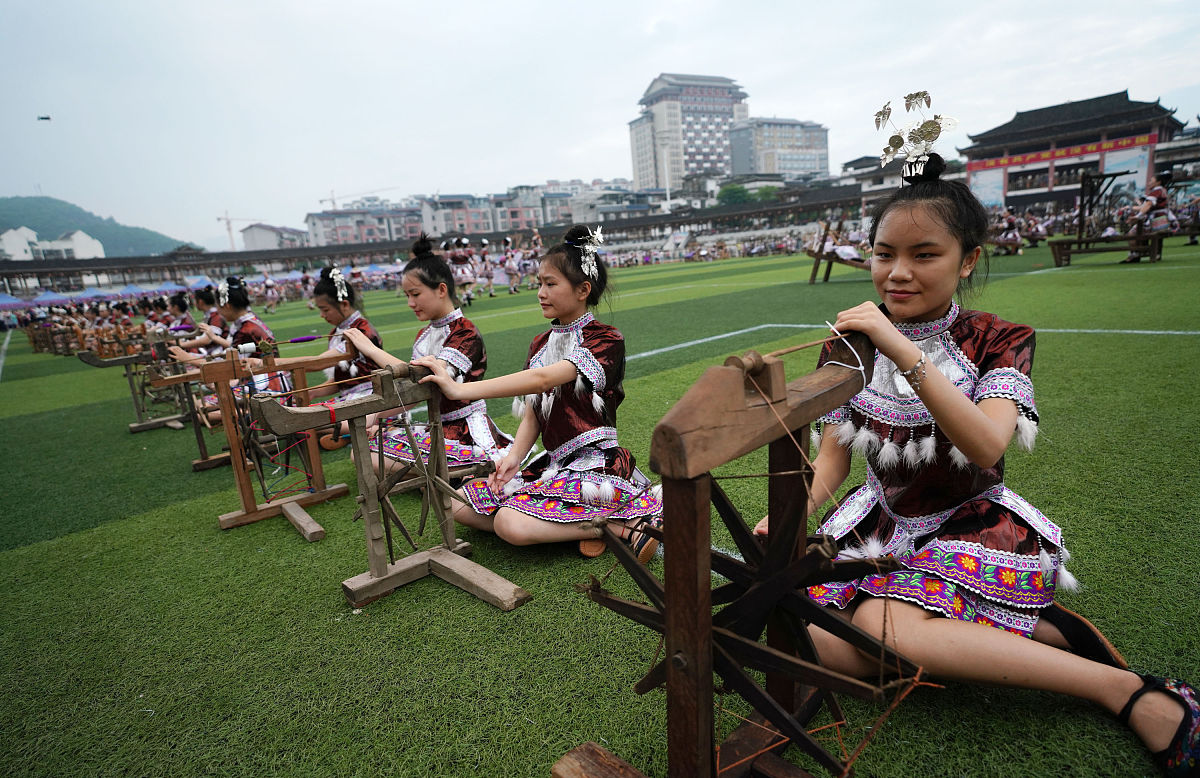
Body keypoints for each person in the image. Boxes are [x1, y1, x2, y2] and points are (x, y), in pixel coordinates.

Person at [751, 153, 1198, 776]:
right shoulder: (847, 342)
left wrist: (901, 349)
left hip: (967, 523)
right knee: (809, 638)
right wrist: (793, 515)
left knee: (880, 624)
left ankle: (1123, 692)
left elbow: (987, 445)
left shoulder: (998, 337)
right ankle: (1023, 632)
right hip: (878, 525)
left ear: (967, 260)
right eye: (883, 254)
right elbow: (832, 460)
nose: (897, 273)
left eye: (924, 255)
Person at [412, 224, 663, 563]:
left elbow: (544, 379)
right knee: (456, 503)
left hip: (594, 465)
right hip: (554, 463)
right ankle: (581, 524)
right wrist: (513, 460)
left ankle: (620, 525)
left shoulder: (606, 339)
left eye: (550, 284)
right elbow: (535, 410)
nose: (540, 292)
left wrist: (459, 388)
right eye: (539, 284)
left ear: (582, 290)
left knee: (509, 524)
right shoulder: (540, 343)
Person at [343, 233, 512, 471]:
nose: (410, 303)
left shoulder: (465, 332)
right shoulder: (424, 334)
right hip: (435, 425)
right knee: (360, 454)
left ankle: (438, 474)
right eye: (407, 296)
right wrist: (376, 417)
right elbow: (414, 391)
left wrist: (370, 350)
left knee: (377, 459)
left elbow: (423, 377)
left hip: (466, 429)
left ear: (441, 289)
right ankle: (432, 474)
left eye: (415, 294)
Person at [1123, 170, 1176, 263]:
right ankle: (1155, 253)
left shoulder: (1156, 191)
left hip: (1155, 221)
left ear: (1158, 182)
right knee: (1153, 237)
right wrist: (1131, 208)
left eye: (1151, 181)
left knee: (1132, 234)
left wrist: (1138, 216)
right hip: (1162, 220)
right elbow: (1145, 206)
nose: (1149, 183)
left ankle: (1135, 254)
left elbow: (1148, 205)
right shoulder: (1163, 190)